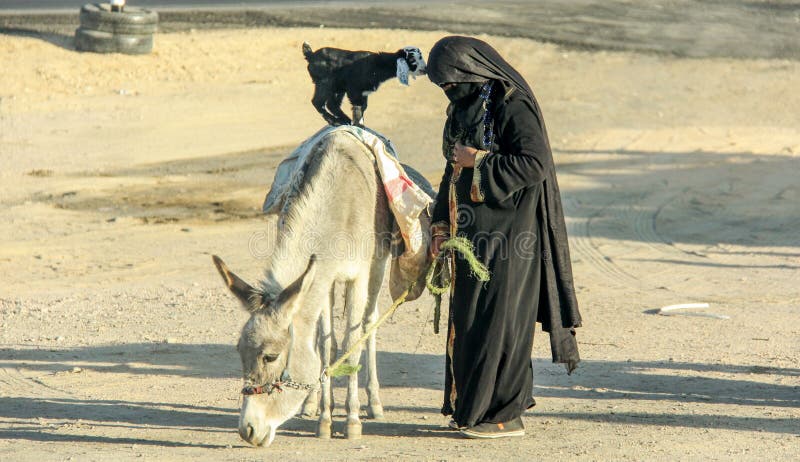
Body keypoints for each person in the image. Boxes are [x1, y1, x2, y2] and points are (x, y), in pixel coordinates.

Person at [426, 36, 583, 439]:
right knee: (470, 321)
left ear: (469, 71)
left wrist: (479, 160)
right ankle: (472, 409)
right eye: (442, 86)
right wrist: (440, 225)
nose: (447, 91)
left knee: (503, 323)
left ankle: (505, 414)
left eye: (450, 83)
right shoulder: (462, 109)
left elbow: (534, 163)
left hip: (512, 239)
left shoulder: (512, 104)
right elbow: (452, 170)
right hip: (469, 240)